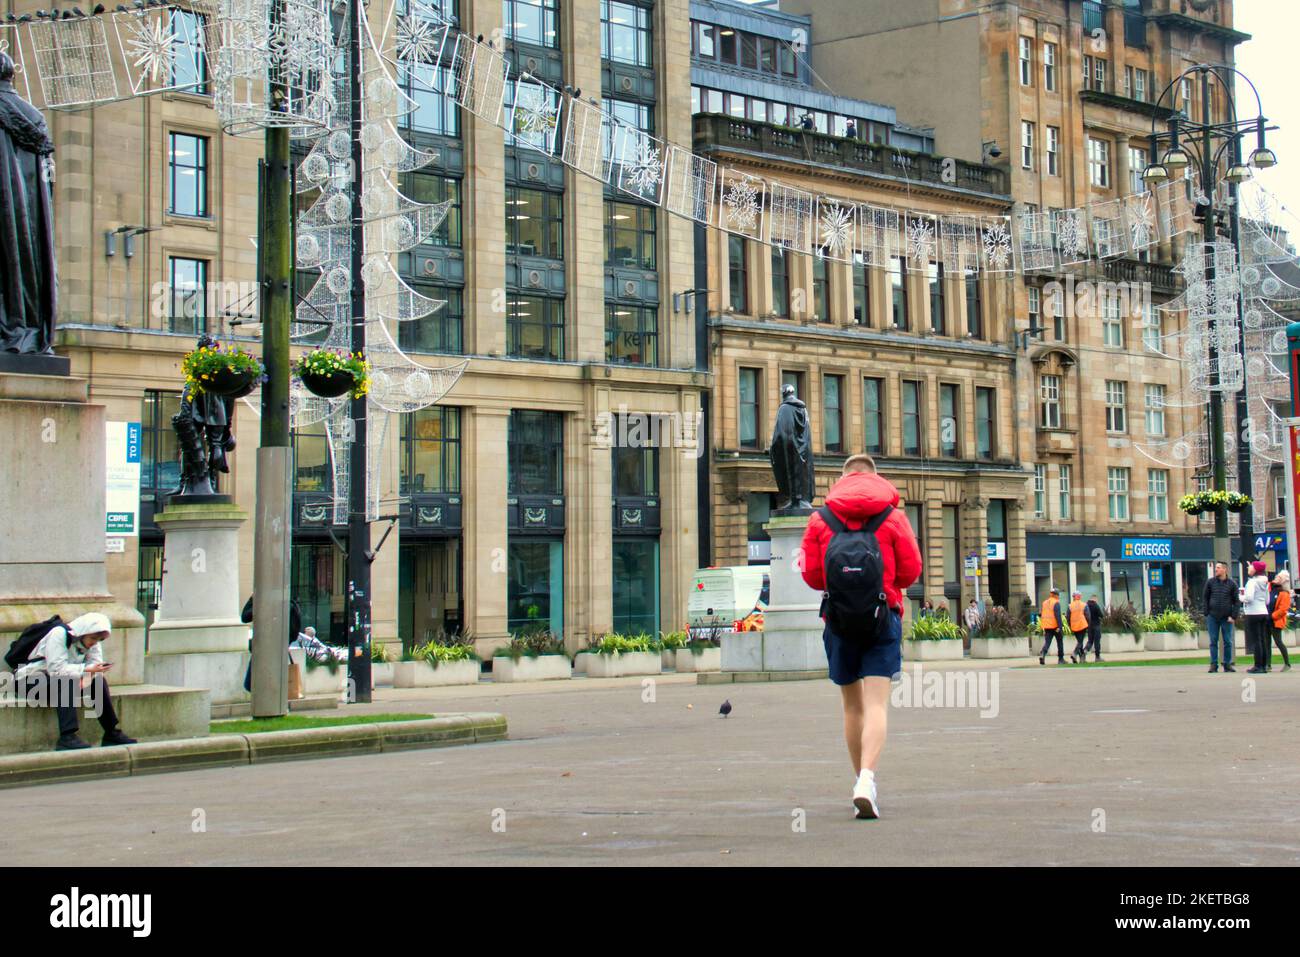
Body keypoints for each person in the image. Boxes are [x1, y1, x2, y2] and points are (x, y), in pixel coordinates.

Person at [800, 453, 922, 820]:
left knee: (851, 706)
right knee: (876, 705)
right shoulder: (893, 517)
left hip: (839, 621)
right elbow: (911, 571)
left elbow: (811, 575)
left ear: (842, 479)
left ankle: (861, 782)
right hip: (882, 617)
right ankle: (867, 779)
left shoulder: (821, 519)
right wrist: (884, 585)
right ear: (873, 476)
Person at [12, 613, 136, 750]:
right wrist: (87, 671)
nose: (94, 643)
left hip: (61, 681)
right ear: (83, 632)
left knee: (98, 681)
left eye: (98, 640)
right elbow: (56, 670)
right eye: (93, 638)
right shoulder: (59, 634)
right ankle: (67, 737)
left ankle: (111, 732)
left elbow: (95, 665)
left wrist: (88, 677)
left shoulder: (93, 642)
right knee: (67, 682)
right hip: (29, 680)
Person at [241, 594, 304, 692]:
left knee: (253, 684)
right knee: (262, 685)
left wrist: (252, 599)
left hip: (265, 649)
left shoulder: (265, 605)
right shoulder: (288, 605)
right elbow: (245, 617)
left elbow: (245, 617)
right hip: (269, 649)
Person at [1203, 562, 1240, 673]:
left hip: (1226, 617)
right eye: (1216, 568)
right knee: (1213, 641)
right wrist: (1206, 612)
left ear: (1224, 570)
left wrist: (1233, 616)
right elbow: (1205, 597)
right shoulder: (1210, 582)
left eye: (1218, 568)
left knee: (1228, 641)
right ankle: (1213, 664)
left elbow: (1236, 601)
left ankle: (1227, 663)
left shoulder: (1232, 584)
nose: (1216, 570)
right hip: (1213, 616)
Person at [1242, 561, 1271, 674]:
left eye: (1251, 566)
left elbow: (1248, 598)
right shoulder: (1265, 582)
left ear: (1255, 570)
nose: (1248, 568)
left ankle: (1257, 665)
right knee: (1262, 640)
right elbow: (1267, 600)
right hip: (1263, 612)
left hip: (1253, 612)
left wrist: (1239, 597)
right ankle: (1263, 665)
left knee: (1256, 640)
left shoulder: (1252, 582)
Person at [1268, 570, 1292, 672]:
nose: (1276, 578)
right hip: (1266, 619)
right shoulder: (1269, 588)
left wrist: (1272, 616)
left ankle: (1287, 663)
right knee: (1266, 642)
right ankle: (1267, 664)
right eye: (1277, 576)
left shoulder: (1284, 593)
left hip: (1275, 621)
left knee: (1278, 642)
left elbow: (1283, 609)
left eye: (1279, 578)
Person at [1038, 588, 1064, 665]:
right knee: (1060, 642)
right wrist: (1060, 626)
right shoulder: (1056, 603)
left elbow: (1041, 614)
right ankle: (1060, 659)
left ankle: (1043, 653)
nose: (1058, 596)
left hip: (1046, 626)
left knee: (1047, 642)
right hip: (1055, 626)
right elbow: (1058, 616)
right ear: (1056, 595)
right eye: (1058, 595)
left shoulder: (1044, 603)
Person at [1067, 591, 1089, 663]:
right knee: (1080, 642)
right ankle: (1075, 653)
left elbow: (1068, 617)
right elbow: (1088, 616)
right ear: (1079, 596)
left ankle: (1082, 658)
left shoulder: (1070, 606)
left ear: (1074, 597)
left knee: (1080, 642)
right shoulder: (1084, 605)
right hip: (1082, 625)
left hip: (1074, 626)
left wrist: (1070, 626)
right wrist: (1088, 624)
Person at [1083, 593, 1104, 662]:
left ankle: (1085, 651)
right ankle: (1097, 657)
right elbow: (1101, 615)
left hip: (1089, 625)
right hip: (1096, 625)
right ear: (1095, 599)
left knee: (1090, 641)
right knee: (1097, 641)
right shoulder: (1096, 605)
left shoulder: (1086, 605)